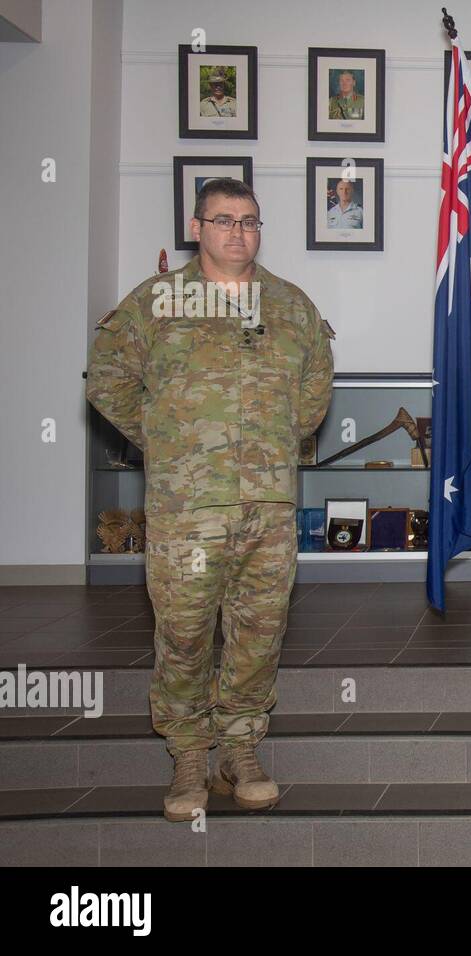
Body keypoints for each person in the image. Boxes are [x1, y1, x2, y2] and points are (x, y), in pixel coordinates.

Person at [86, 179, 336, 822]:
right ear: (196, 228)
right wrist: (168, 440)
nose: (238, 232)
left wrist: (274, 442)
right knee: (185, 631)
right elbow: (108, 381)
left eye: (250, 221)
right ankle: (188, 754)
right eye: (224, 220)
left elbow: (313, 395)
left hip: (269, 508)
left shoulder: (290, 306)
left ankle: (241, 748)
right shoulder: (156, 303)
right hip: (187, 507)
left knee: (258, 633)